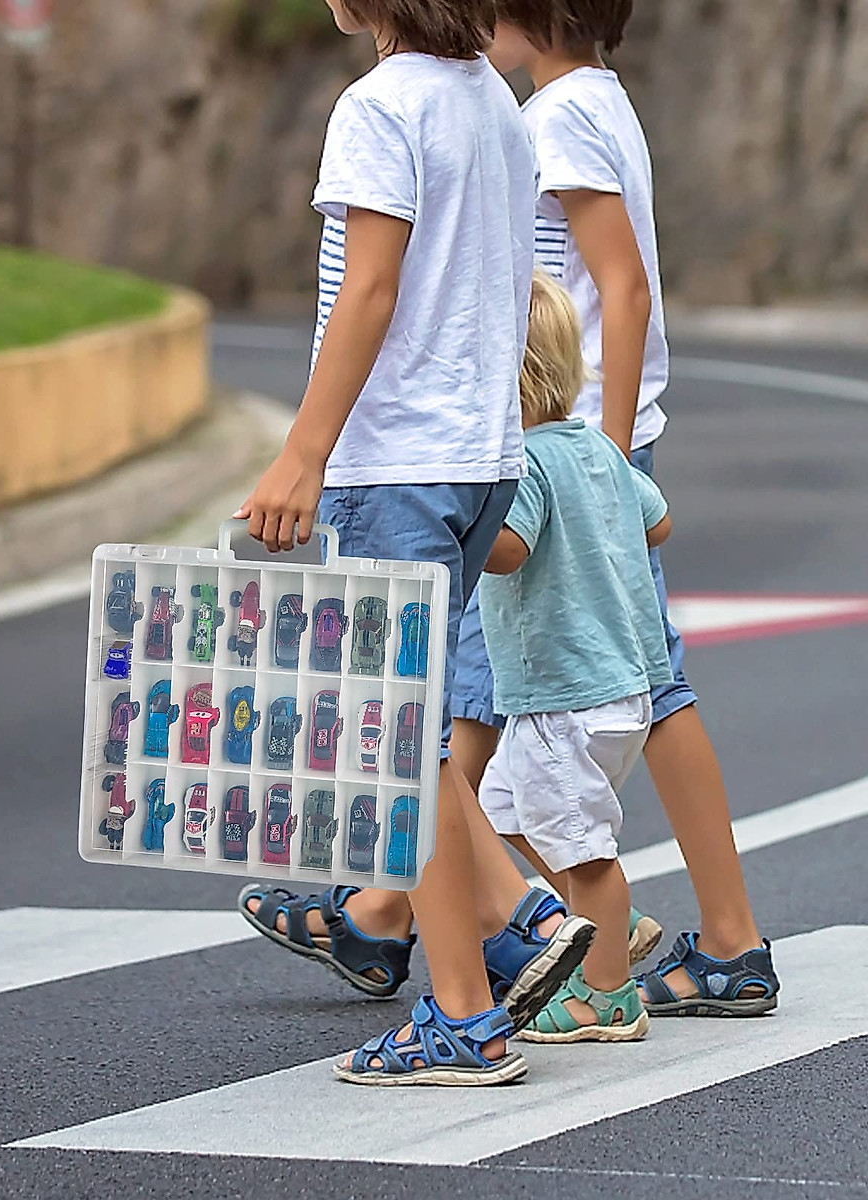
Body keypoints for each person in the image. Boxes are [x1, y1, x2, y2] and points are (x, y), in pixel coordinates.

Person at [234, 0, 595, 1085]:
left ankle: (465, 1014)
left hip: (394, 460)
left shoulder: (378, 105)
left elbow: (371, 290)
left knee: (399, 748)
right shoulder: (494, 101)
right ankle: (513, 926)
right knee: (417, 742)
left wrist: (302, 453)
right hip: (483, 457)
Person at [469, 0, 780, 1016]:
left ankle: (609, 933)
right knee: (619, 678)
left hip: (575, 438)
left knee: (626, 680)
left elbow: (624, 285)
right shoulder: (597, 98)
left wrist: (596, 448)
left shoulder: (556, 117)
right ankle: (443, 908)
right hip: (586, 437)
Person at [477, 270, 671, 1041]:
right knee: (502, 809)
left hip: (562, 697)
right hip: (615, 690)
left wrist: (462, 520)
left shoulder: (523, 463)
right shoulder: (593, 446)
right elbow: (657, 523)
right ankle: (598, 928)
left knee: (585, 852)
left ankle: (606, 994)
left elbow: (507, 551)